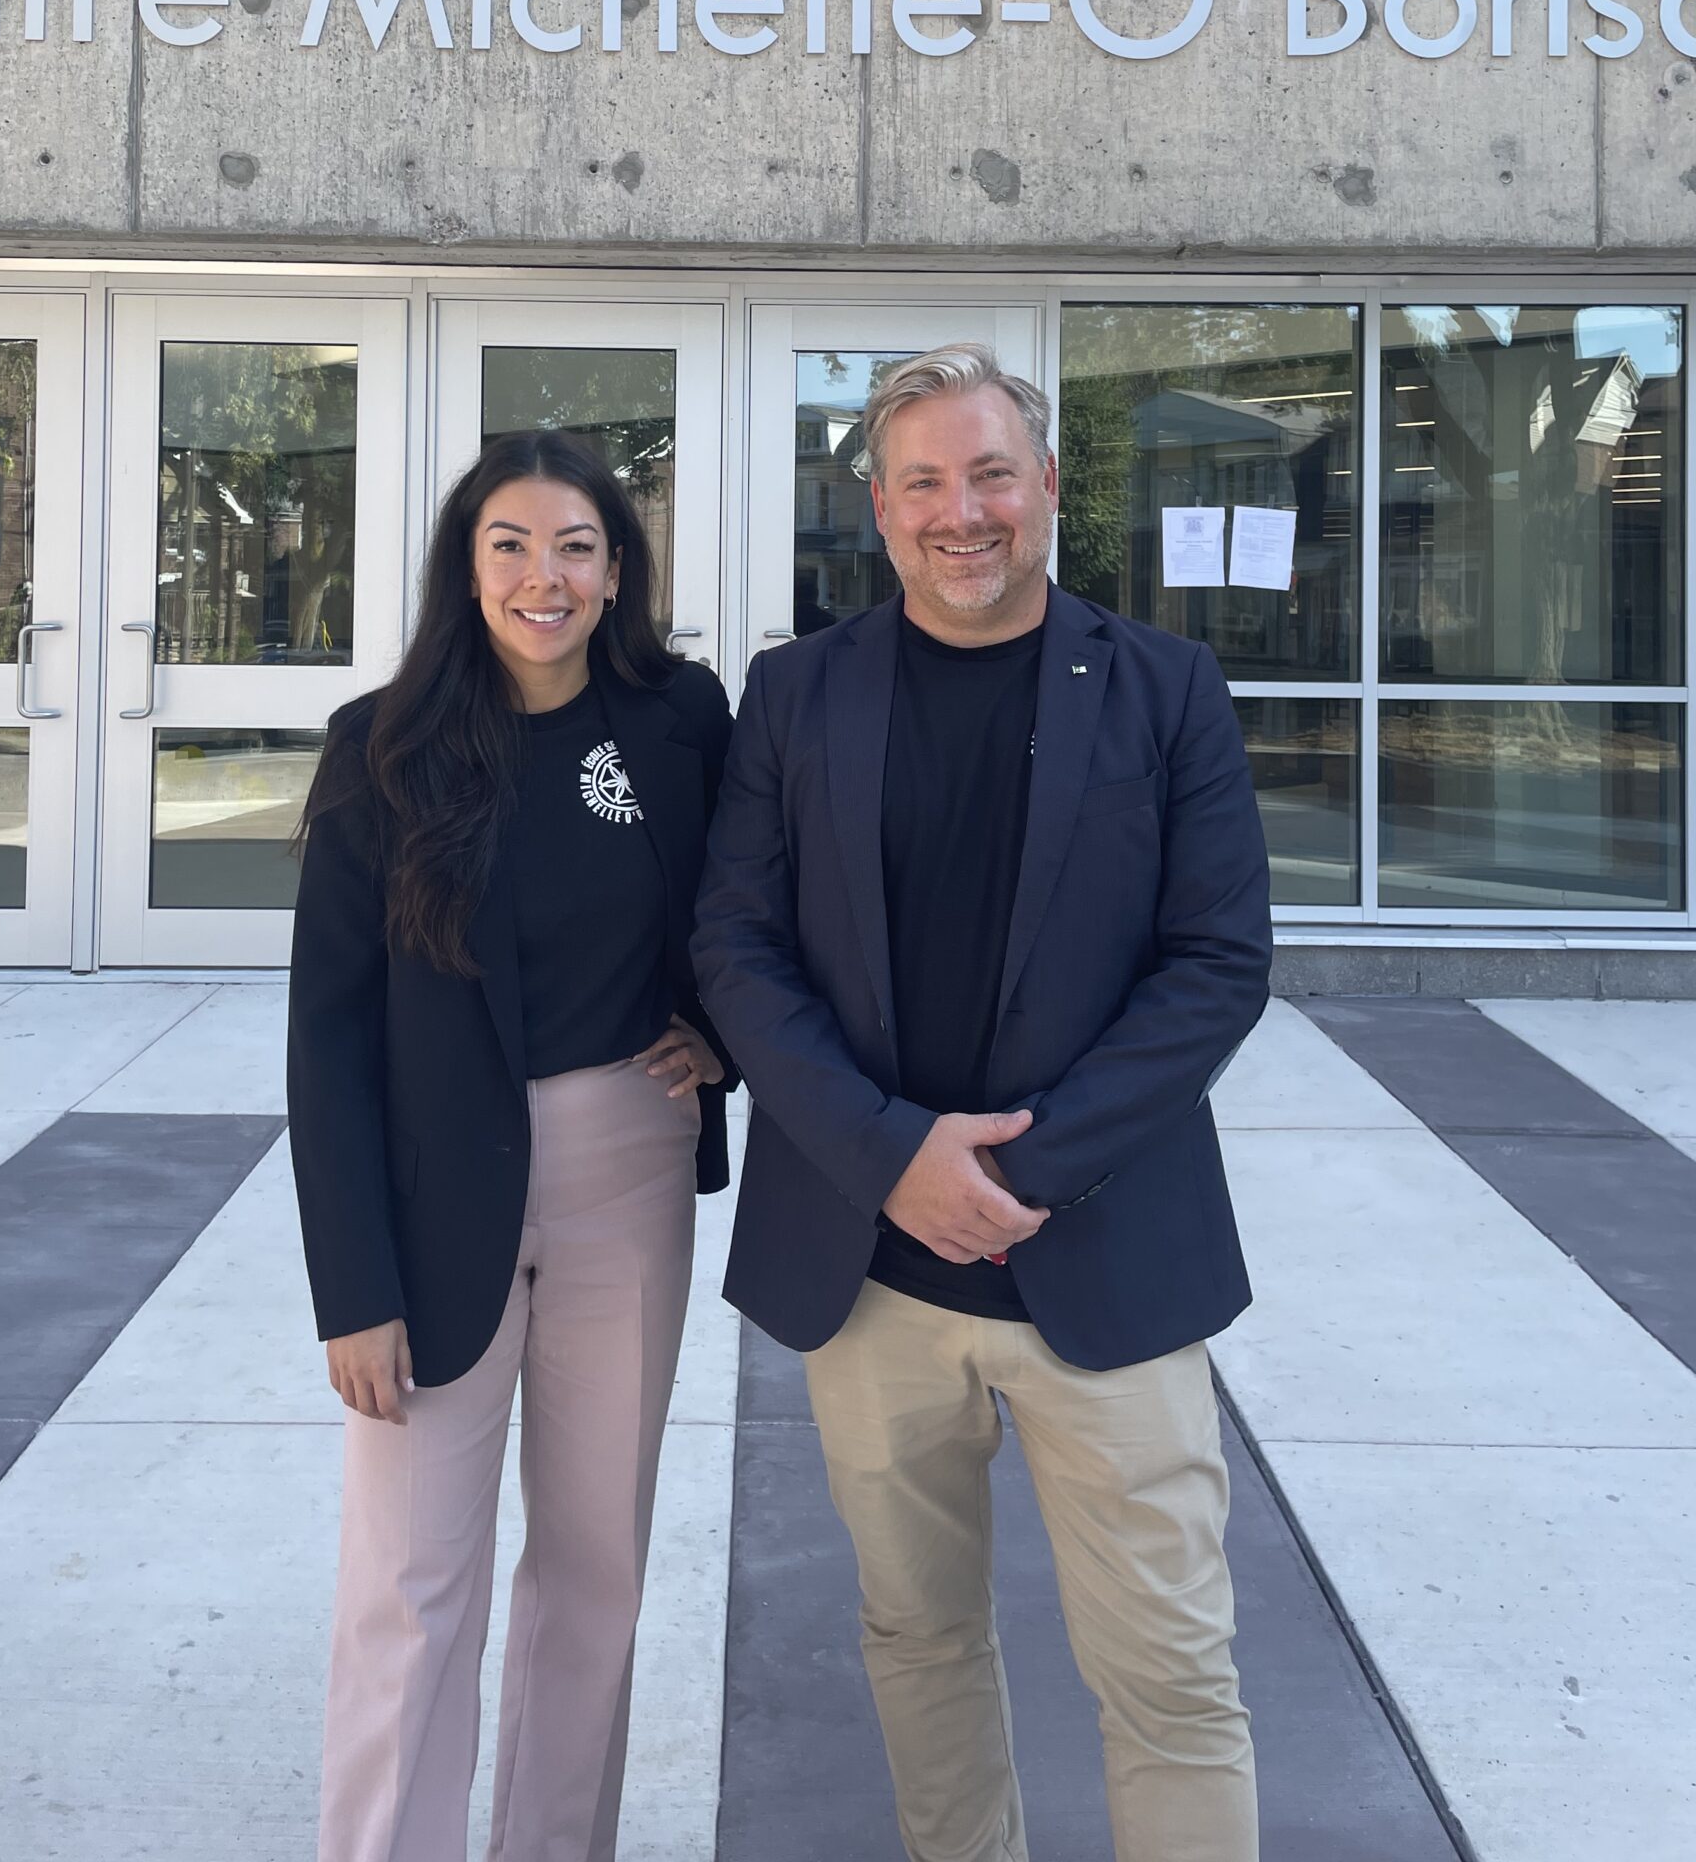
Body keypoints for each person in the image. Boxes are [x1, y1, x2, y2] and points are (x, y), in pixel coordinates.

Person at [693, 343, 1271, 1862]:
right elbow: (737, 948)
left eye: (992, 474)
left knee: (1172, 1674)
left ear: (1049, 487)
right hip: (871, 1272)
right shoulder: (795, 693)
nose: (964, 512)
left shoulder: (1166, 688)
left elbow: (1218, 965)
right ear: (881, 508)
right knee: (919, 1639)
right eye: (927, 482)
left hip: (1107, 1262)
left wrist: (1021, 1175)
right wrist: (894, 1161)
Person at [287, 429, 733, 1862]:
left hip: (629, 1165)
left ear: (618, 572)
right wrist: (353, 1288)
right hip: (433, 1192)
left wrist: (720, 1034)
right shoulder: (383, 744)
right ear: (465, 568)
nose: (545, 577)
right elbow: (329, 1037)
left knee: (596, 1566)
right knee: (410, 1584)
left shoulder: (679, 721)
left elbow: (748, 911)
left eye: (576, 548)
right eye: (511, 546)